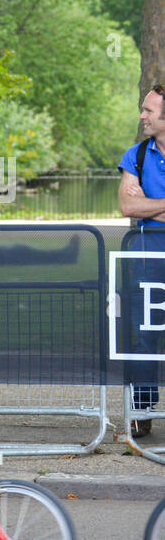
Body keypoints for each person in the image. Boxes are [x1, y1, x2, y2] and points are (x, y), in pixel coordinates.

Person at [118, 84, 165, 437]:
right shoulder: (135, 155)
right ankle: (142, 409)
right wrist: (145, 202)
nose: (142, 115)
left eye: (149, 110)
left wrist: (152, 201)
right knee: (145, 332)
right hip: (147, 258)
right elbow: (129, 207)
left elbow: (143, 206)